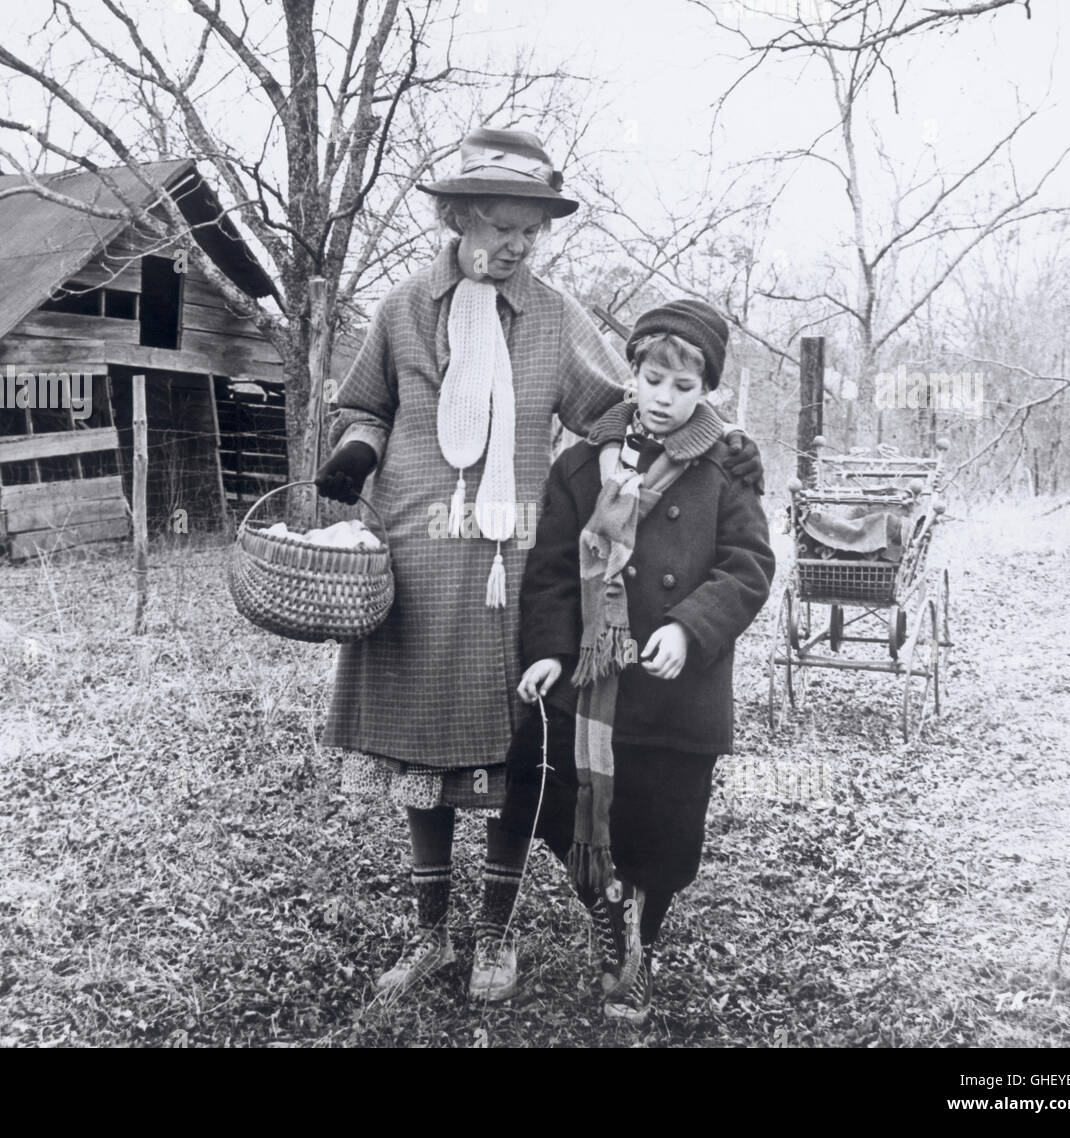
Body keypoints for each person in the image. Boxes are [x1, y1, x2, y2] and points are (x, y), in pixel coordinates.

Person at [314, 128, 765, 1002]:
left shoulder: (556, 317)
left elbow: (622, 412)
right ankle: (429, 935)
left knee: (521, 755)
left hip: (513, 571)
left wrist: (724, 444)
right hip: (417, 562)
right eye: (502, 228)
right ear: (458, 218)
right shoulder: (405, 308)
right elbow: (364, 406)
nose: (518, 247)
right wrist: (357, 454)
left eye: (533, 232)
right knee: (425, 756)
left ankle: (495, 933)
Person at [493, 299, 775, 1025]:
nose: (664, 399)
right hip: (590, 688)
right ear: (635, 374)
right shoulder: (582, 462)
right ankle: (605, 907)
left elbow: (748, 567)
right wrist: (552, 654)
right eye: (654, 379)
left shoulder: (728, 470)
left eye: (684, 388)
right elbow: (552, 571)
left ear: (706, 390)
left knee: (662, 831)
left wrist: (689, 629)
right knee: (560, 807)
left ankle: (640, 948)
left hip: (676, 692)